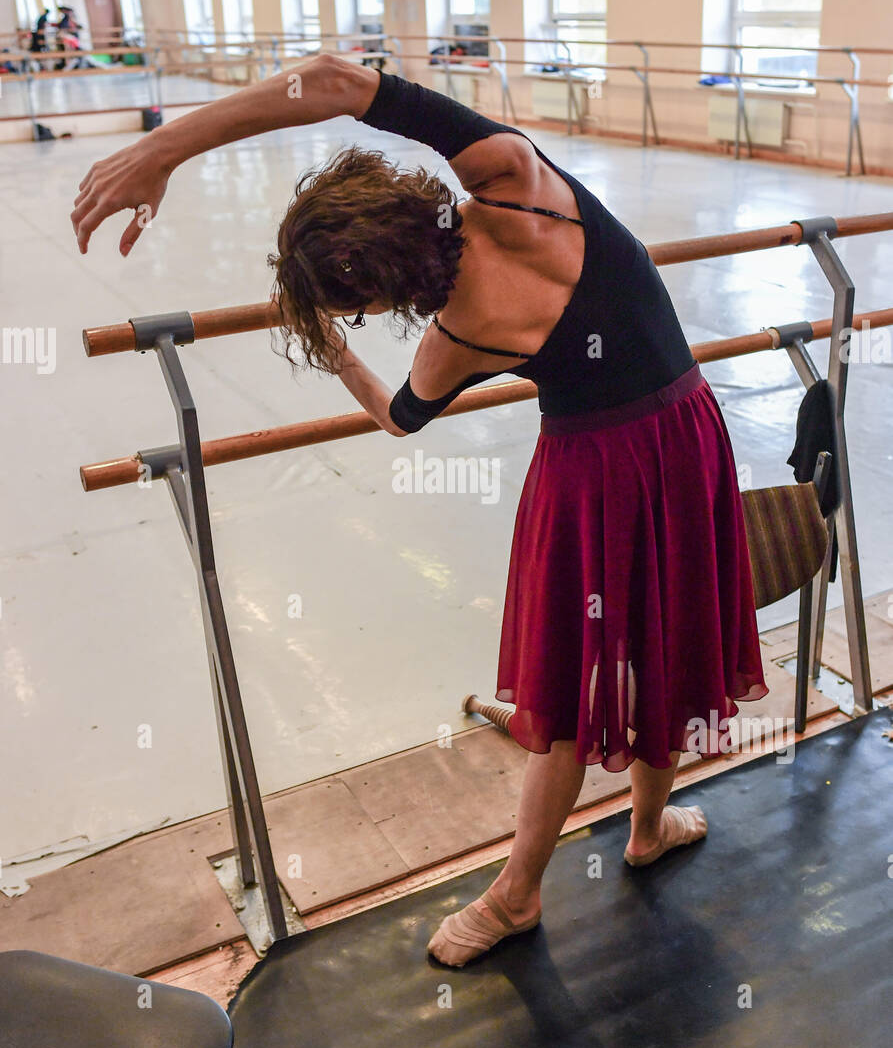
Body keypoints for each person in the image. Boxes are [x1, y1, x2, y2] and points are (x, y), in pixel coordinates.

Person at [70, 54, 769, 967]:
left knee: (568, 688)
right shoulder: (515, 183)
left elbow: (398, 416)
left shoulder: (456, 337)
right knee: (659, 635)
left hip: (594, 474)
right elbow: (330, 79)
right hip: (683, 428)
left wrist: (332, 354)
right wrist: (170, 146)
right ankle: (644, 826)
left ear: (379, 294)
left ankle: (519, 895)